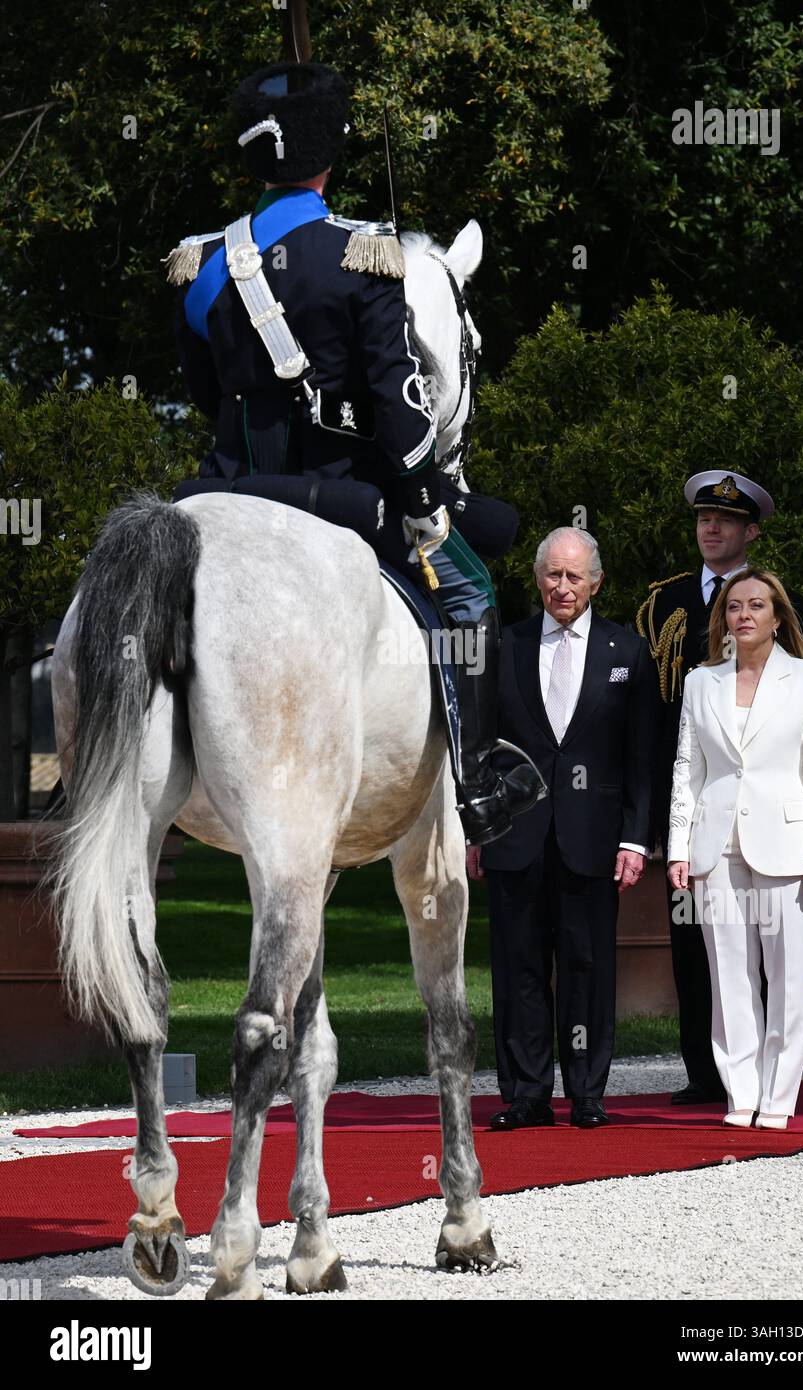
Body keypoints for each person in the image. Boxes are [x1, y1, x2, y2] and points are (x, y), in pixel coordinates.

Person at [166, 60, 541, 846]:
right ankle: (478, 782)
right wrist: (424, 495)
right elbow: (401, 404)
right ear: (327, 156)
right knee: (469, 585)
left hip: (228, 489)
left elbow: (205, 394)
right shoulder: (360, 254)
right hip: (340, 494)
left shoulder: (198, 265)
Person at [469, 528, 655, 1129]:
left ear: (596, 582)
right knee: (518, 965)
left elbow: (641, 757)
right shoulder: (506, 644)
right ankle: (525, 1094)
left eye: (575, 576)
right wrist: (476, 830)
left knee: (588, 965)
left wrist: (634, 837)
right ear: (537, 578)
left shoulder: (627, 652)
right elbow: (478, 748)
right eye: (553, 574)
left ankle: (587, 1091)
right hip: (514, 837)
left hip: (593, 841)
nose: (563, 586)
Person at [636, 471, 803, 1105]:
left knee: (769, 957)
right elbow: (655, 721)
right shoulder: (666, 601)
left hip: (768, 816)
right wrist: (658, 816)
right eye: (704, 520)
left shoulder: (772, 600)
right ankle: (705, 1074)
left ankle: (768, 1084)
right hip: (693, 802)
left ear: (749, 531)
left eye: (725, 522)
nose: (711, 529)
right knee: (697, 946)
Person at [667, 568, 803, 1129]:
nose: (743, 614)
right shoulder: (700, 682)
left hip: (790, 847)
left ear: (777, 616)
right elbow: (687, 772)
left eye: (756, 605)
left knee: (789, 977)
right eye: (734, 606)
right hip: (717, 850)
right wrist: (678, 848)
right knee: (730, 979)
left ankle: (780, 1098)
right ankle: (741, 1093)